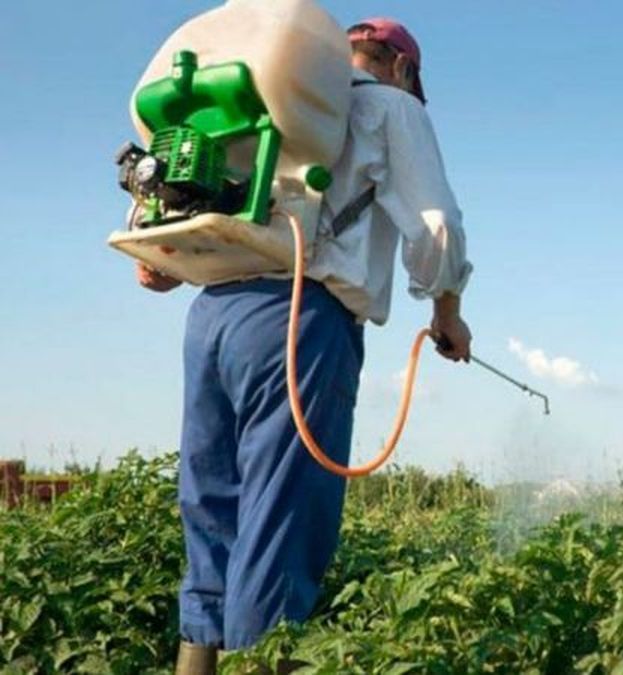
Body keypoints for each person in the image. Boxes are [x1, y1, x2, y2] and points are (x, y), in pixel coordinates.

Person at [136, 17, 473, 673]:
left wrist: (164, 260)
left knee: (212, 511)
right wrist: (447, 309)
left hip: (212, 316)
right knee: (279, 524)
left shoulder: (263, 95)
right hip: (300, 316)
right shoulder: (387, 106)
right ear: (403, 68)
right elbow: (434, 223)